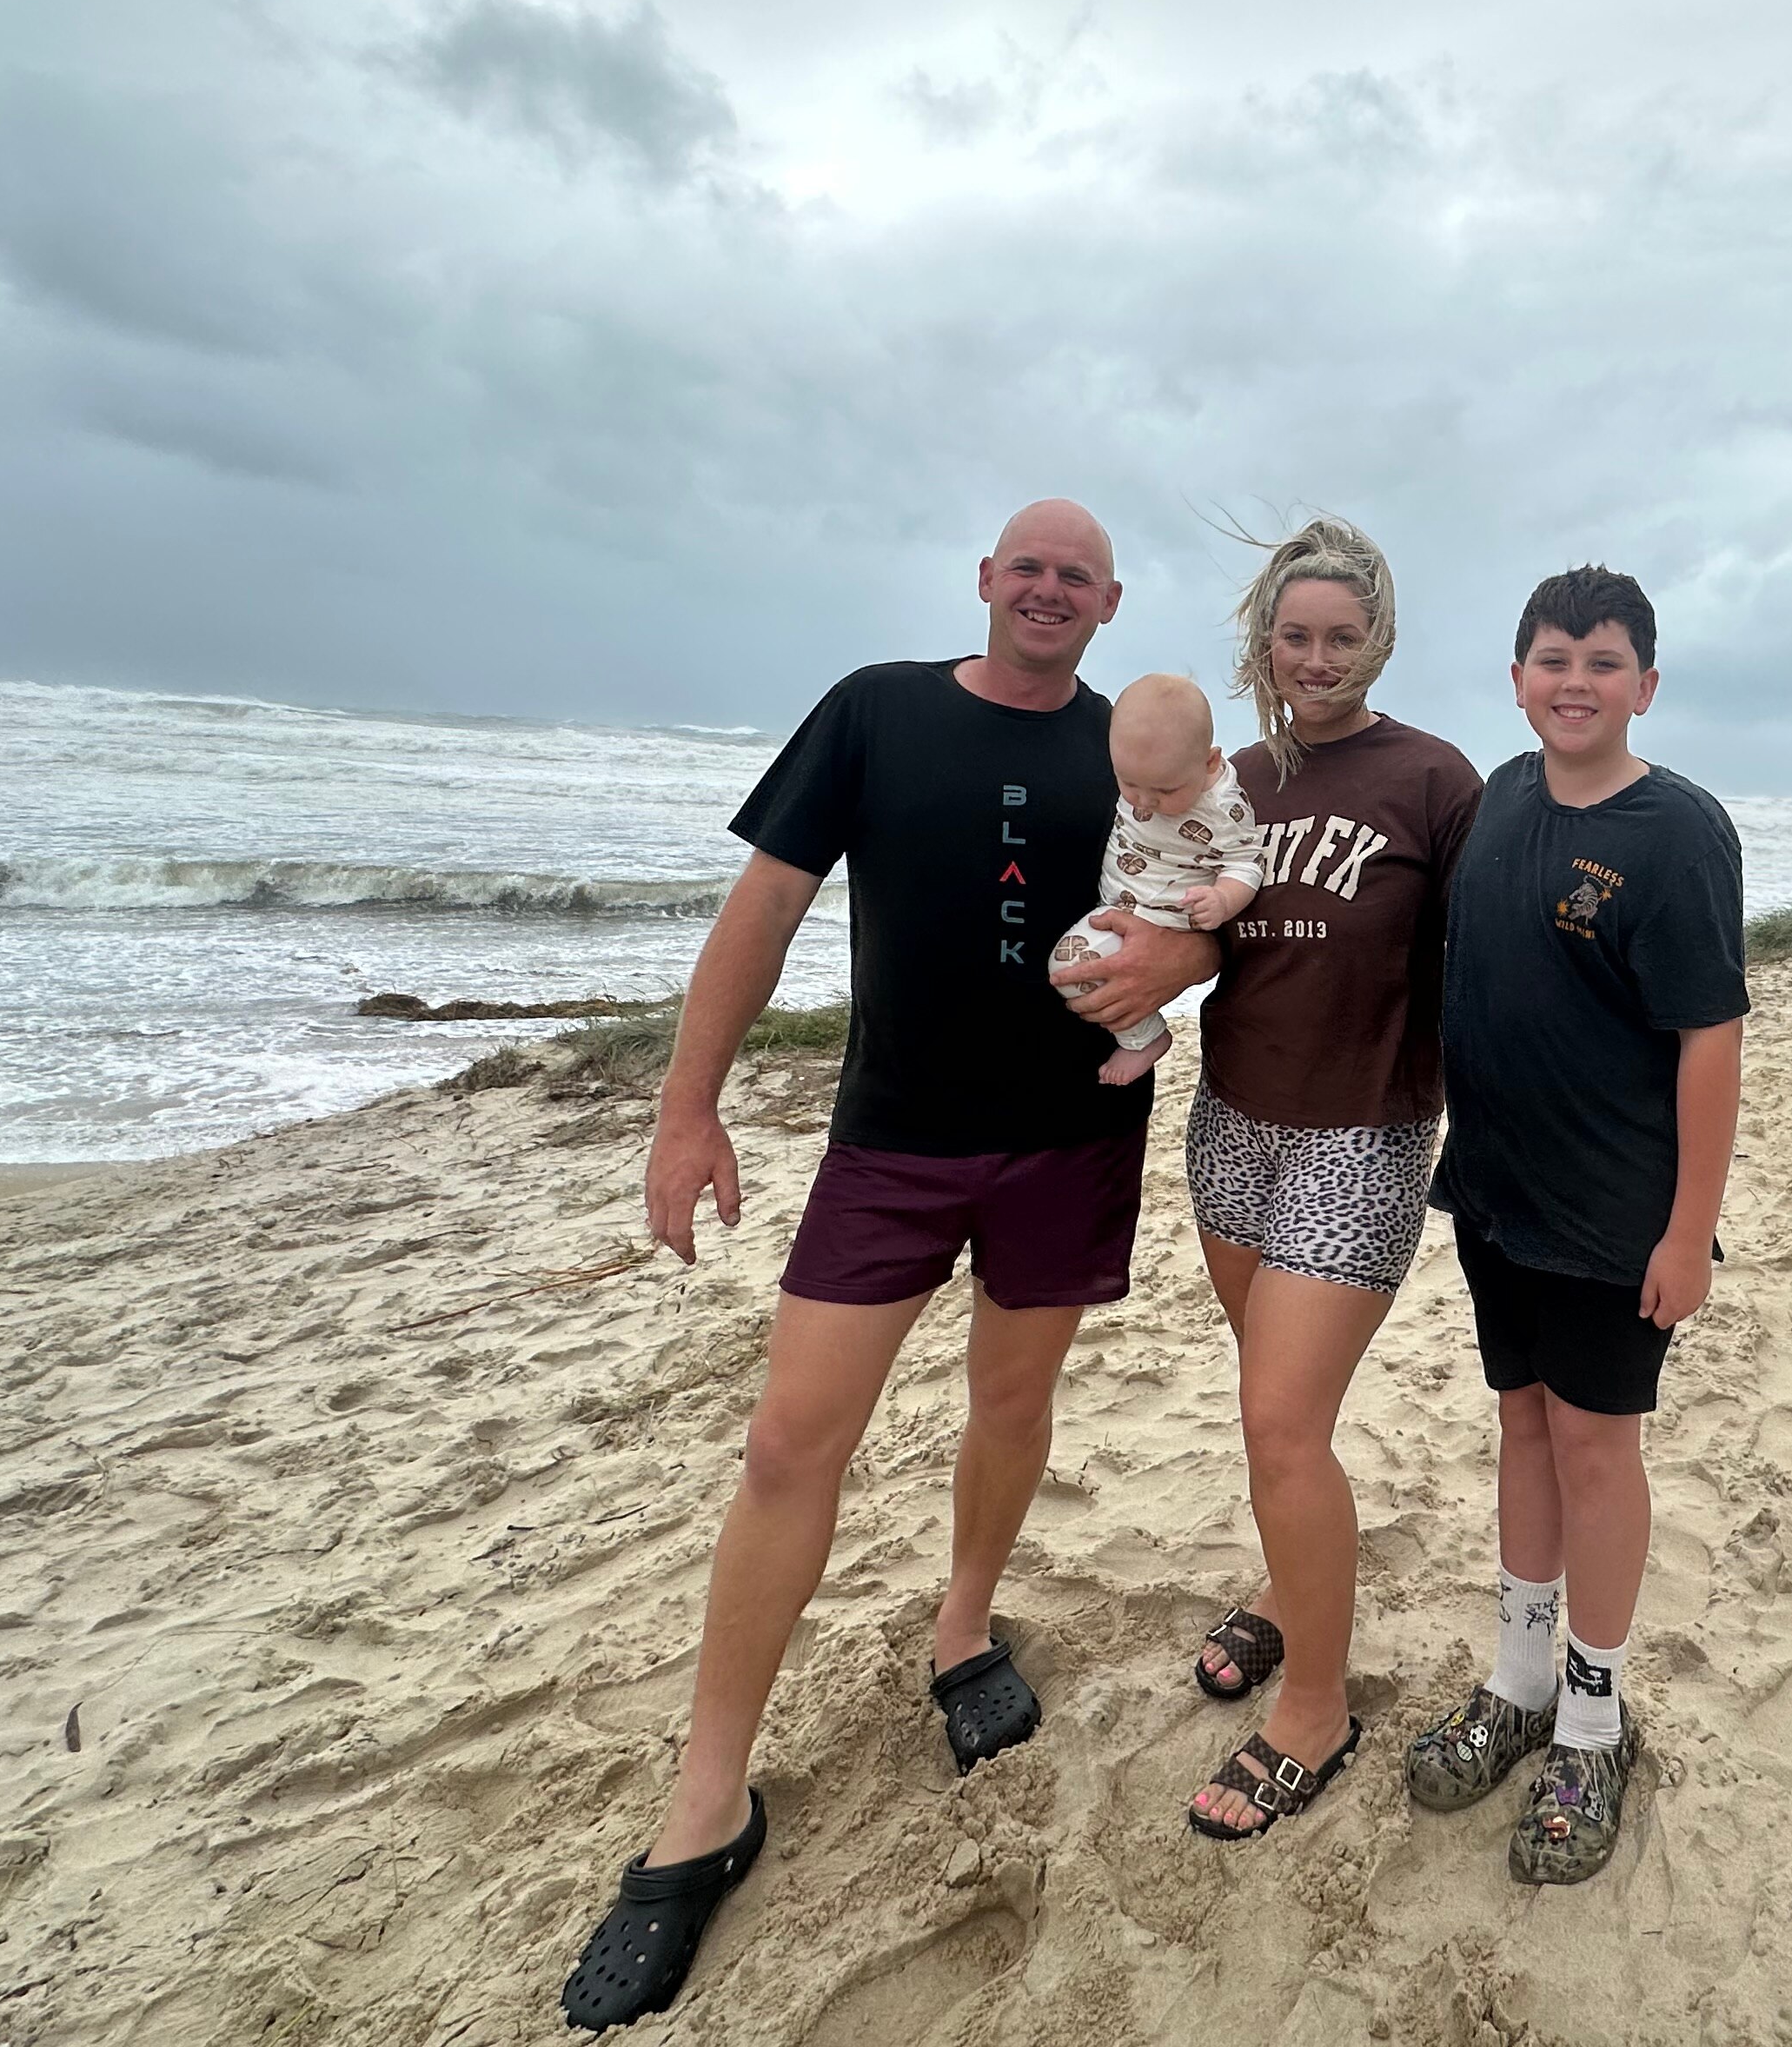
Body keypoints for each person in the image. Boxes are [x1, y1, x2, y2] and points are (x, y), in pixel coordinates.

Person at [557, 500, 1219, 2034]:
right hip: (890, 1142)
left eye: (1077, 574)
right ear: (987, 582)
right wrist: (685, 1106)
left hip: (1065, 1140)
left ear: (1109, 603)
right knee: (791, 1437)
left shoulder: (1136, 744)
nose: (1049, 588)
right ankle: (706, 1799)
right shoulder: (874, 708)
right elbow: (767, 906)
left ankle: (964, 1623)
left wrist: (1181, 965)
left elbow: (1213, 895)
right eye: (1027, 566)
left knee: (1010, 1401)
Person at [1402, 565, 1745, 1885]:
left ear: (1644, 685)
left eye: (1604, 661)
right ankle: (1520, 1678)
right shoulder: (1498, 798)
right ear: (1518, 676)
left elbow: (1710, 1040)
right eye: (1553, 658)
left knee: (1600, 1450)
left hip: (1615, 1213)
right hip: (1495, 1194)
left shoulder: (1679, 832)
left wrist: (1687, 1230)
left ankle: (1594, 1722)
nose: (1576, 682)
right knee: (1524, 1425)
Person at [1177, 518, 1483, 1838]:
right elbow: (1178, 936)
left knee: (1280, 1427)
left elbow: (1487, 967)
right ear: (1265, 643)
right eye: (1294, 636)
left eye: (1340, 637)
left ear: (1381, 642)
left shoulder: (1434, 779)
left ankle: (1316, 1702)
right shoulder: (1232, 779)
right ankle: (1291, 1586)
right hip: (1232, 1121)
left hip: (1364, 1134)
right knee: (1271, 1410)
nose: (1317, 657)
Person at [1050, 674, 1264, 1086]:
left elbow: (1247, 862)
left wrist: (1222, 900)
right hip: (1119, 899)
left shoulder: (1223, 810)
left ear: (1210, 763)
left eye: (1165, 791)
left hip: (1163, 916)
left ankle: (1144, 1039)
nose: (1145, 802)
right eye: (1129, 784)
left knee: (1069, 964)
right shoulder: (1146, 769)